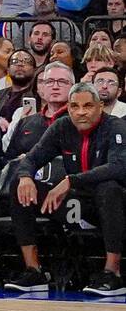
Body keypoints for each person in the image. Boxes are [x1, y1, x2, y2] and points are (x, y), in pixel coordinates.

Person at [8, 80, 126, 295]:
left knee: (109, 188)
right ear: (68, 107)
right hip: (77, 202)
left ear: (100, 106)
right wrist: (25, 176)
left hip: (113, 204)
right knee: (19, 185)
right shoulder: (62, 127)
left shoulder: (116, 126)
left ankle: (112, 273)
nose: (81, 112)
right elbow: (31, 159)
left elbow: (118, 167)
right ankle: (34, 271)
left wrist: (71, 180)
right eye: (75, 106)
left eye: (88, 106)